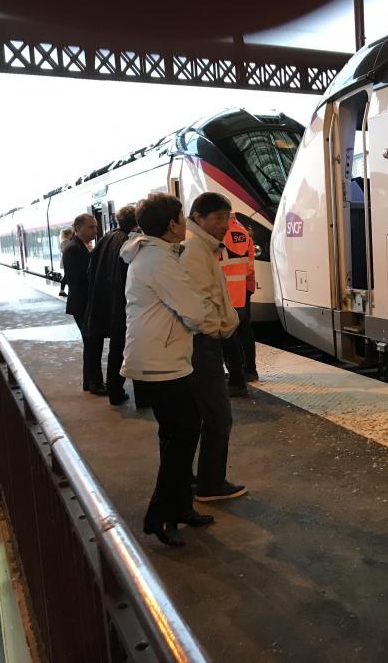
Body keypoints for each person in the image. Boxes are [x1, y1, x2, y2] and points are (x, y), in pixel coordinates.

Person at [120, 192, 210, 547]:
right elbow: (195, 312)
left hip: (159, 358)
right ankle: (159, 516)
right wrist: (195, 320)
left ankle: (179, 508)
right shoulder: (159, 260)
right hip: (163, 363)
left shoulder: (150, 255)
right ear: (172, 225)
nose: (186, 221)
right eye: (182, 216)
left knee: (176, 436)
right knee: (183, 435)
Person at [182, 192, 245, 502]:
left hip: (203, 341)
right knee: (219, 416)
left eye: (227, 218)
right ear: (198, 217)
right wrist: (217, 329)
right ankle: (210, 484)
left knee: (202, 415)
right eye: (218, 218)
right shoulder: (194, 249)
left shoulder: (203, 246)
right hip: (202, 343)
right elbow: (200, 299)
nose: (224, 225)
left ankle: (198, 479)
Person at [86, 205, 136, 405]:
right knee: (121, 347)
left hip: (104, 300)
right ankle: (116, 391)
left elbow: (91, 269)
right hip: (121, 303)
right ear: (136, 222)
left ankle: (113, 388)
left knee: (117, 347)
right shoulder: (130, 243)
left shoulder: (105, 239)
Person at [62, 214, 105, 395]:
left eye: (95, 227)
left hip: (83, 303)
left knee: (91, 342)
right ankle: (95, 383)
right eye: (91, 227)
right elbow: (77, 278)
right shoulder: (73, 249)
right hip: (82, 304)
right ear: (78, 228)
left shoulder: (79, 246)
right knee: (93, 342)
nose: (95, 231)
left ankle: (90, 382)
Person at [221, 215, 258, 394]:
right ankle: (250, 369)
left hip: (227, 290)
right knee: (246, 331)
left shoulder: (220, 233)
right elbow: (250, 265)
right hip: (244, 287)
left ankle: (236, 376)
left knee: (230, 335)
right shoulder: (243, 232)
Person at [58, 228, 73, 297]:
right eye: (71, 234)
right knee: (67, 276)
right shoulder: (66, 241)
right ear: (68, 234)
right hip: (68, 261)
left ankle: (63, 290)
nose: (72, 235)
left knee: (67, 276)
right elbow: (69, 251)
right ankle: (62, 291)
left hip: (65, 260)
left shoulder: (63, 241)